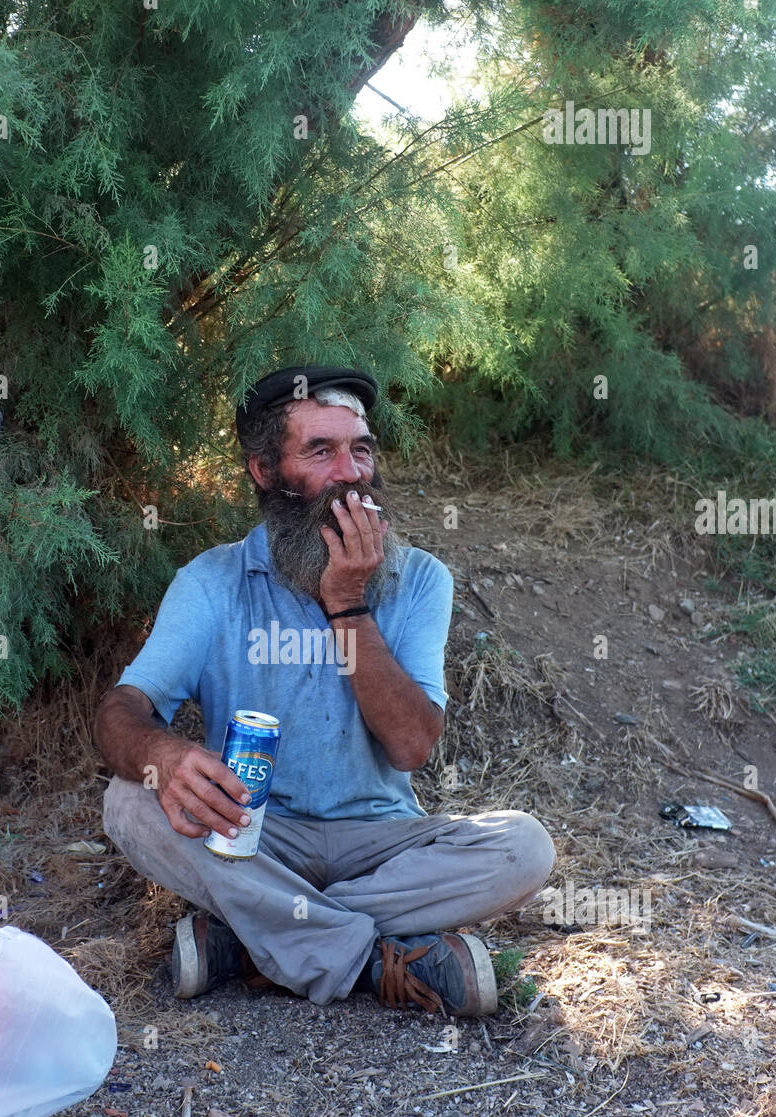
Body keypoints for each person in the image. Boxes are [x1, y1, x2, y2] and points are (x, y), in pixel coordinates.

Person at [94, 365, 555, 1017]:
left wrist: (346, 601)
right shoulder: (213, 581)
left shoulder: (420, 579)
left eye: (360, 449)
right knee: (128, 800)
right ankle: (369, 961)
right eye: (321, 452)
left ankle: (252, 939)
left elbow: (411, 746)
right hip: (253, 834)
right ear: (264, 471)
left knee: (524, 846)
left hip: (381, 844)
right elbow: (122, 711)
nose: (351, 472)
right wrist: (162, 757)